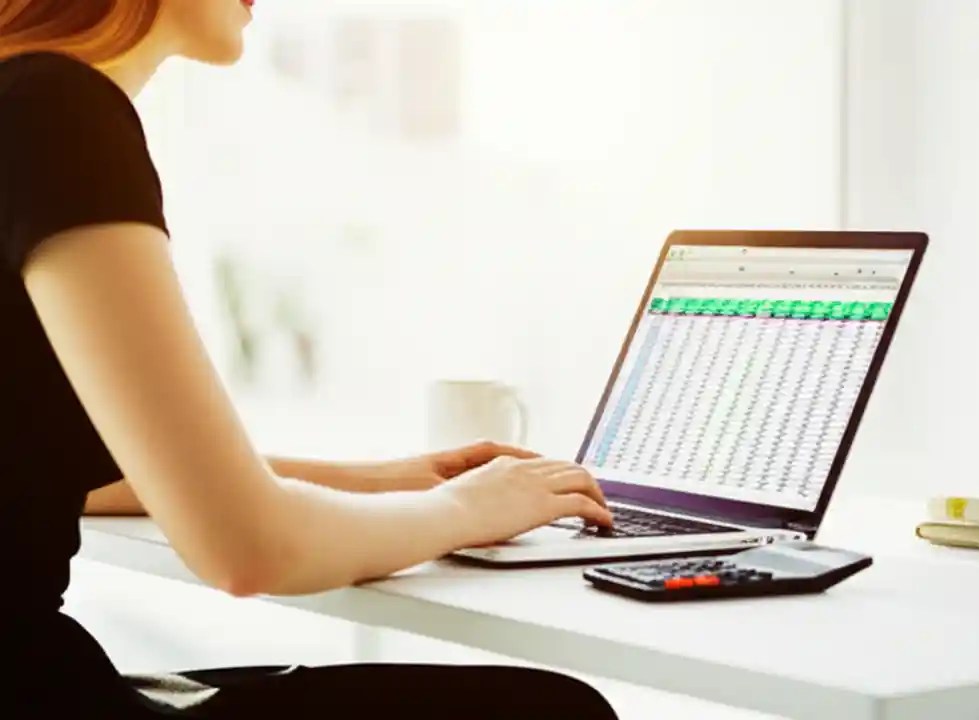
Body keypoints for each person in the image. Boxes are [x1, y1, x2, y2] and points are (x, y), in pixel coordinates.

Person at [0, 1, 618, 718]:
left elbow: (65, 477)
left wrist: (384, 479)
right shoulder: (55, 114)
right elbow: (248, 549)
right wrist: (466, 508)